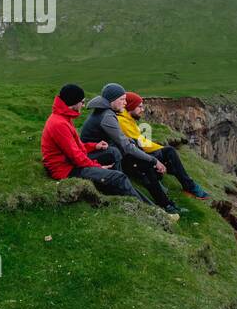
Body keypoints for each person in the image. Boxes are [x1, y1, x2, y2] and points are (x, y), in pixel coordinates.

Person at [39, 84, 178, 222]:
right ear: (73, 102)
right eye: (82, 101)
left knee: (117, 171)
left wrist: (94, 146)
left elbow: (75, 147)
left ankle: (155, 209)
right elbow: (76, 157)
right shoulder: (60, 124)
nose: (83, 105)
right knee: (119, 178)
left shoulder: (63, 118)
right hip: (65, 170)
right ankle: (156, 215)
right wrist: (97, 166)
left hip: (68, 165)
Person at [80, 83, 186, 215]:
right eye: (122, 99)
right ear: (112, 100)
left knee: (142, 159)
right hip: (99, 155)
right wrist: (153, 160)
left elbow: (121, 140)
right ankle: (164, 205)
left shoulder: (105, 112)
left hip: (102, 151)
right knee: (146, 164)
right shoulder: (107, 116)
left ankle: (164, 203)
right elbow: (126, 146)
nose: (125, 103)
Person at [118, 92, 210, 200]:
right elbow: (141, 143)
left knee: (168, 153)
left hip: (136, 153)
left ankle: (186, 184)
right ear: (130, 106)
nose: (142, 110)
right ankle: (189, 187)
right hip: (133, 159)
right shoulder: (123, 121)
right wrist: (160, 149)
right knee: (169, 152)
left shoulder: (128, 119)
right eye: (139, 107)